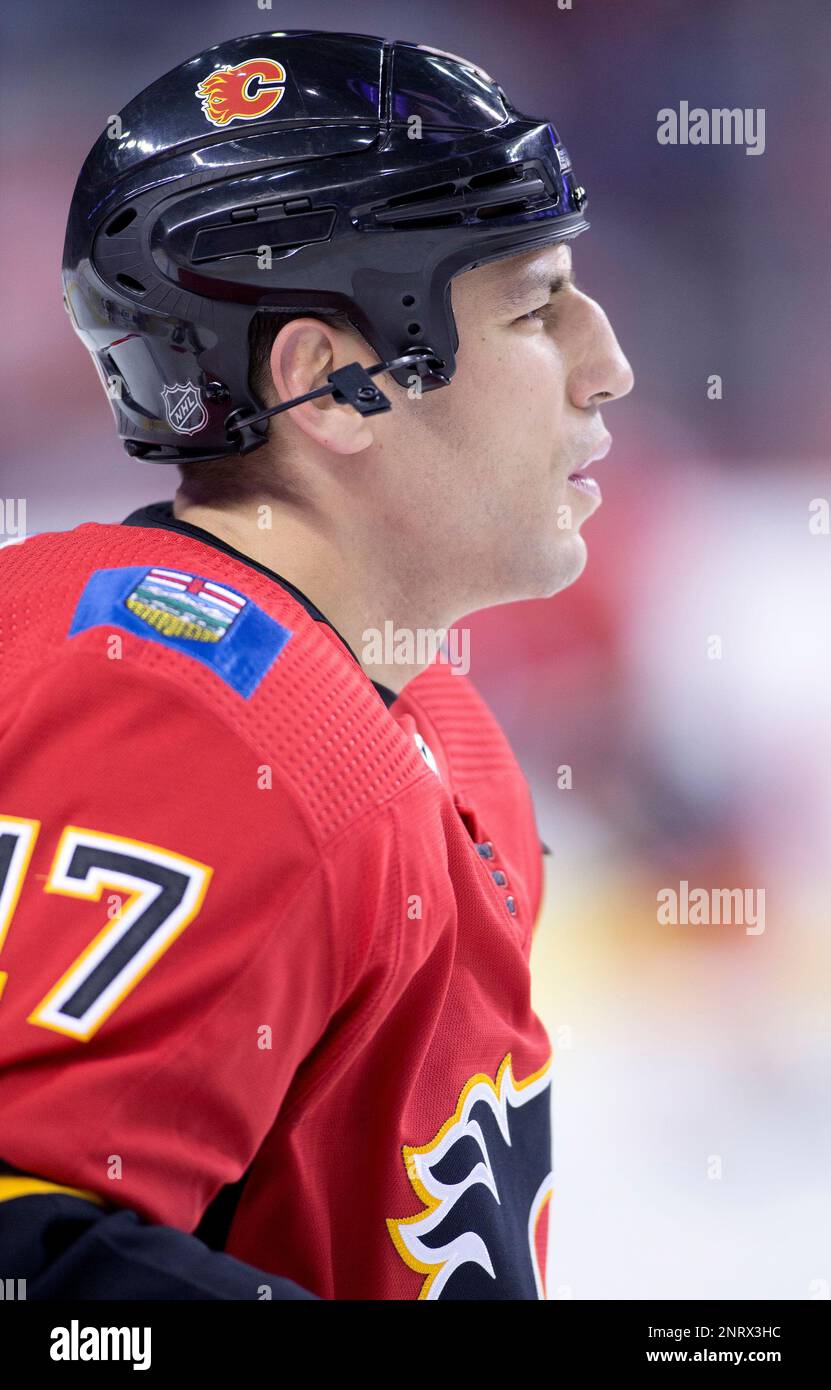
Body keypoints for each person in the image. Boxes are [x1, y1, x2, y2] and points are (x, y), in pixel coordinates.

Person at [0, 31, 632, 1300]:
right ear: (335, 384)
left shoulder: (429, 723)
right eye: (534, 305)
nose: (606, 366)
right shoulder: (174, 708)